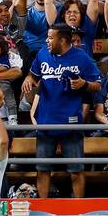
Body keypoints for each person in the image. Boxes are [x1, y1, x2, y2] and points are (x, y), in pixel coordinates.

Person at [28, 22, 102, 199]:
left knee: (76, 170)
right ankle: (44, 208)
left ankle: (78, 209)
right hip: (46, 122)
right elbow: (33, 75)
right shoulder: (43, 53)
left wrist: (84, 84)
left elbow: (98, 86)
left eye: (51, 38)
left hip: (71, 124)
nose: (47, 40)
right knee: (42, 169)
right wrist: (28, 79)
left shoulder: (82, 58)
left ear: (62, 40)